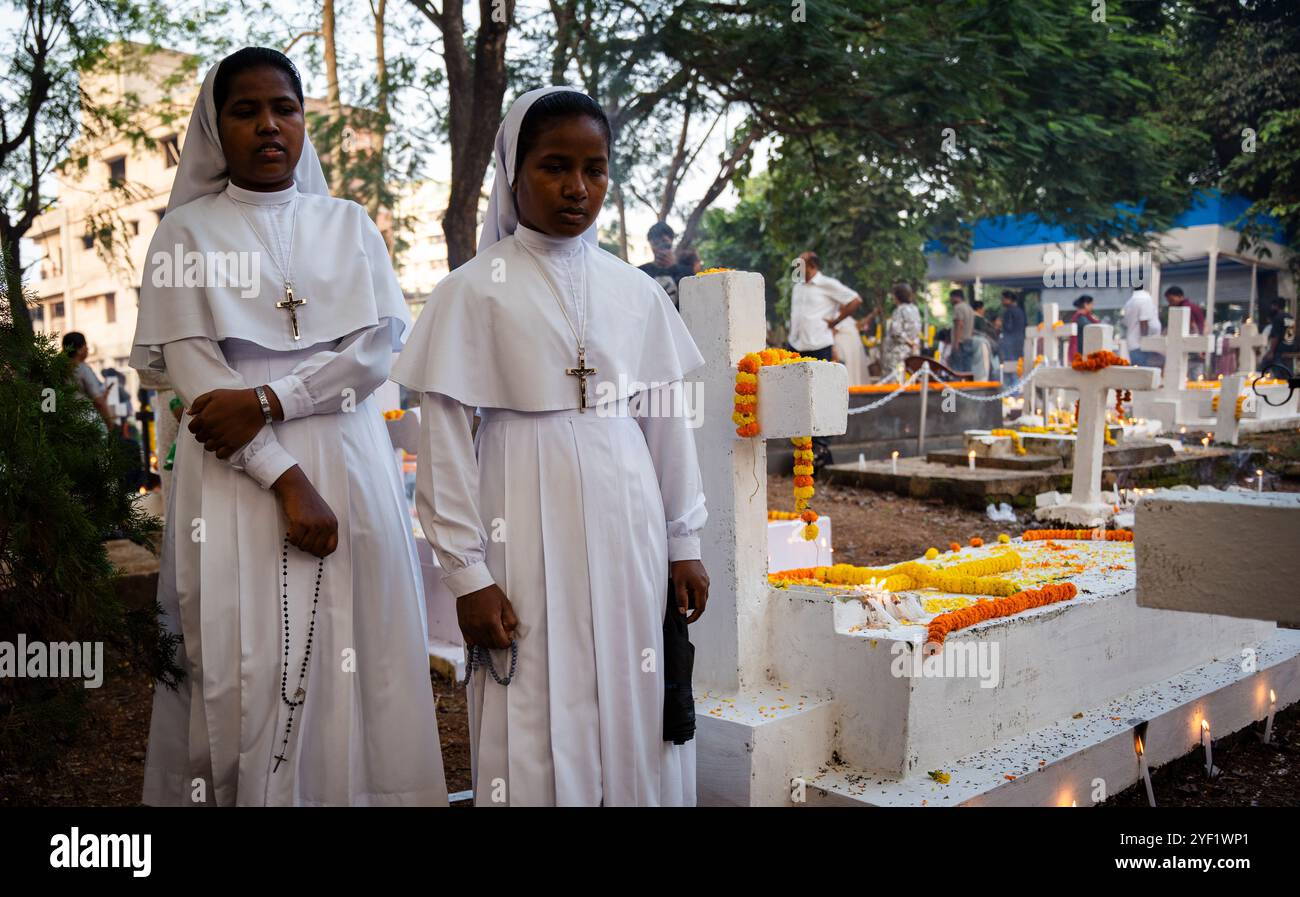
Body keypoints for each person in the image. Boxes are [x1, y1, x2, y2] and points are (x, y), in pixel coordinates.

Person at [130, 48, 447, 806]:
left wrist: (273, 400)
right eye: (247, 111)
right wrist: (287, 476)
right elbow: (201, 379)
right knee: (254, 659)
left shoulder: (348, 224)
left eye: (286, 108)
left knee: (365, 650)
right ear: (215, 127)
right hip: (244, 477)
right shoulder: (185, 235)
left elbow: (374, 350)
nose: (270, 125)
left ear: (304, 120)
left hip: (351, 457)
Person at [391, 86, 710, 807]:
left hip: (627, 511)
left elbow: (665, 419)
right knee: (529, 685)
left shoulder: (636, 290)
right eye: (554, 166)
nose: (577, 188)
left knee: (633, 686)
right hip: (519, 509)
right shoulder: (469, 292)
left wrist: (682, 538)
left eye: (595, 169)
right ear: (513, 172)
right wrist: (467, 574)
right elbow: (443, 441)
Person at [788, 251, 862, 461]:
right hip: (796, 345)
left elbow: (855, 300)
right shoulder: (797, 287)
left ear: (811, 265)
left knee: (821, 394)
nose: (796, 268)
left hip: (819, 345)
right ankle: (804, 444)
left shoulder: (827, 283)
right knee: (799, 395)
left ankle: (822, 445)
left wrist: (836, 321)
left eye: (800, 264)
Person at [63, 332, 116, 430]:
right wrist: (110, 425)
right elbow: (98, 402)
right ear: (79, 350)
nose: (87, 349)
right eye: (85, 345)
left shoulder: (59, 368)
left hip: (64, 423)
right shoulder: (82, 368)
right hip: (87, 423)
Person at [638, 222, 694, 309]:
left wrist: (673, 267)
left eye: (664, 241)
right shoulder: (641, 272)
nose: (660, 246)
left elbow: (691, 300)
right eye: (655, 243)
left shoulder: (687, 272)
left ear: (671, 241)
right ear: (650, 244)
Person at [1164, 284, 1207, 378]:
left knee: (1185, 377)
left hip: (1189, 347)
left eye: (1171, 300)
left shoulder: (1184, 308)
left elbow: (1193, 326)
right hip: (1196, 346)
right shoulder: (1193, 306)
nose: (1170, 304)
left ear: (1180, 296)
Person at [880, 282, 921, 377]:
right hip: (912, 351)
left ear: (897, 296)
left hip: (898, 351)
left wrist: (908, 342)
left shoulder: (899, 310)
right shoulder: (915, 309)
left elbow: (896, 332)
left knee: (895, 379)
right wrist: (912, 343)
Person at [1122, 288, 1162, 366]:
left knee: (1140, 372)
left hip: (1134, 344)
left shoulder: (1129, 302)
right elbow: (1143, 321)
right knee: (1145, 373)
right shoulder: (1144, 300)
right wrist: (1146, 341)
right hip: (1141, 345)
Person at [1260, 297, 1298, 375]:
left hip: (1280, 348)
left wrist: (1271, 352)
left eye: (1272, 306)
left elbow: (1275, 337)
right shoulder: (1290, 317)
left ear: (1276, 306)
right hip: (1291, 346)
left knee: (1265, 362)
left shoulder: (1277, 318)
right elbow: (1291, 334)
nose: (1271, 308)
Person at [995, 290, 1025, 370]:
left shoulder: (1008, 311)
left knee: (1010, 366)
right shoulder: (1020, 311)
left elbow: (1009, 327)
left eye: (1003, 299)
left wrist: (1000, 324)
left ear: (1009, 299)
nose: (1002, 301)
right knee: (1018, 365)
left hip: (1010, 344)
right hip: (1020, 341)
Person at [947, 287, 976, 372]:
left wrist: (956, 343)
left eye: (951, 298)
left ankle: (958, 385)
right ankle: (968, 385)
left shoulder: (958, 307)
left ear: (956, 297)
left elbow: (959, 325)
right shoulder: (969, 308)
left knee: (957, 369)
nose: (950, 300)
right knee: (967, 368)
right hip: (969, 341)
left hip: (960, 343)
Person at [1067, 294, 1100, 362]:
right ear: (1086, 304)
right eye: (1091, 304)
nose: (1092, 307)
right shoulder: (1081, 319)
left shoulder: (1083, 317)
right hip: (1080, 352)